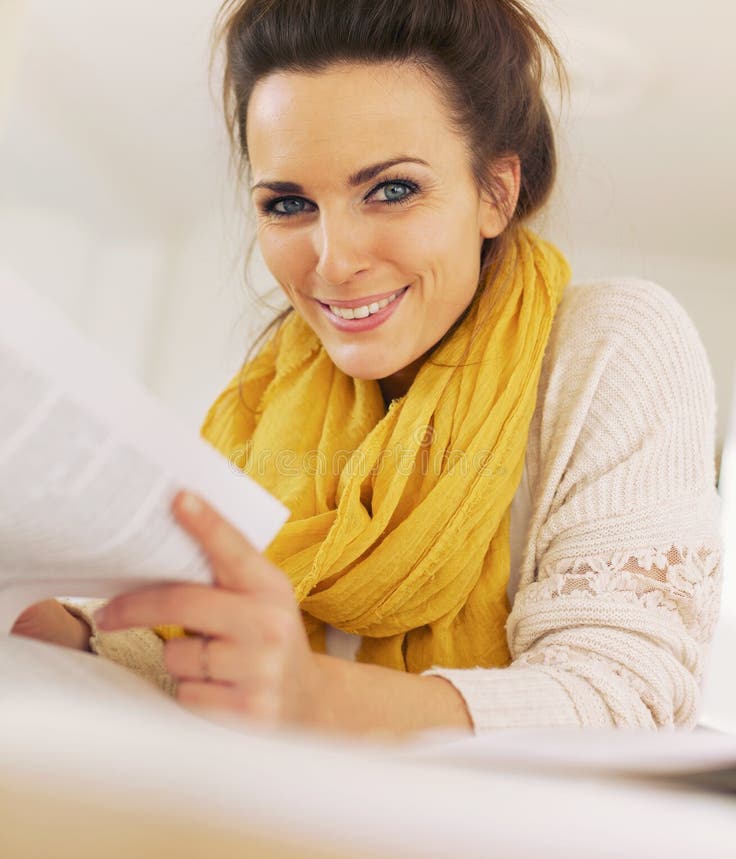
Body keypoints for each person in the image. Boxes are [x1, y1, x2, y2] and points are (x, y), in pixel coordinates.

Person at [11, 0, 722, 735]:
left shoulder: (611, 346)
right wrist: (48, 625)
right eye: (289, 203)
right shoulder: (269, 394)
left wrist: (314, 697)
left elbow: (627, 697)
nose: (335, 260)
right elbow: (203, 653)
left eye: (391, 190)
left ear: (496, 192)